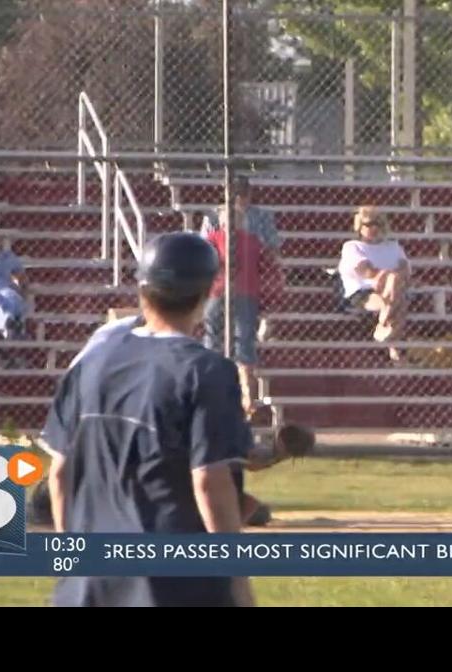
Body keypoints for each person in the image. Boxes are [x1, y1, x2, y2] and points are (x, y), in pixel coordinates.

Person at [39, 232, 255, 607]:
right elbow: (209, 482)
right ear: (207, 294)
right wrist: (238, 582)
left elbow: (58, 473)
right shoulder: (206, 370)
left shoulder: (91, 363)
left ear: (142, 289)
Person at [202, 176, 283, 415]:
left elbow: (270, 258)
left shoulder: (243, 238)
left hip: (232, 291)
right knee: (235, 335)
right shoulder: (230, 236)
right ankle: (242, 393)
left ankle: (241, 392)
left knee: (230, 335)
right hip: (232, 291)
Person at [337, 206, 410, 362]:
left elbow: (405, 270)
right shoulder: (352, 247)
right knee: (399, 299)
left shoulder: (393, 246)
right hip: (364, 292)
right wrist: (385, 275)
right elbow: (365, 271)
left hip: (393, 290)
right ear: (360, 227)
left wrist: (388, 278)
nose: (374, 228)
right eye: (369, 224)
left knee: (396, 282)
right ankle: (394, 348)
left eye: (378, 224)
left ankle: (384, 322)